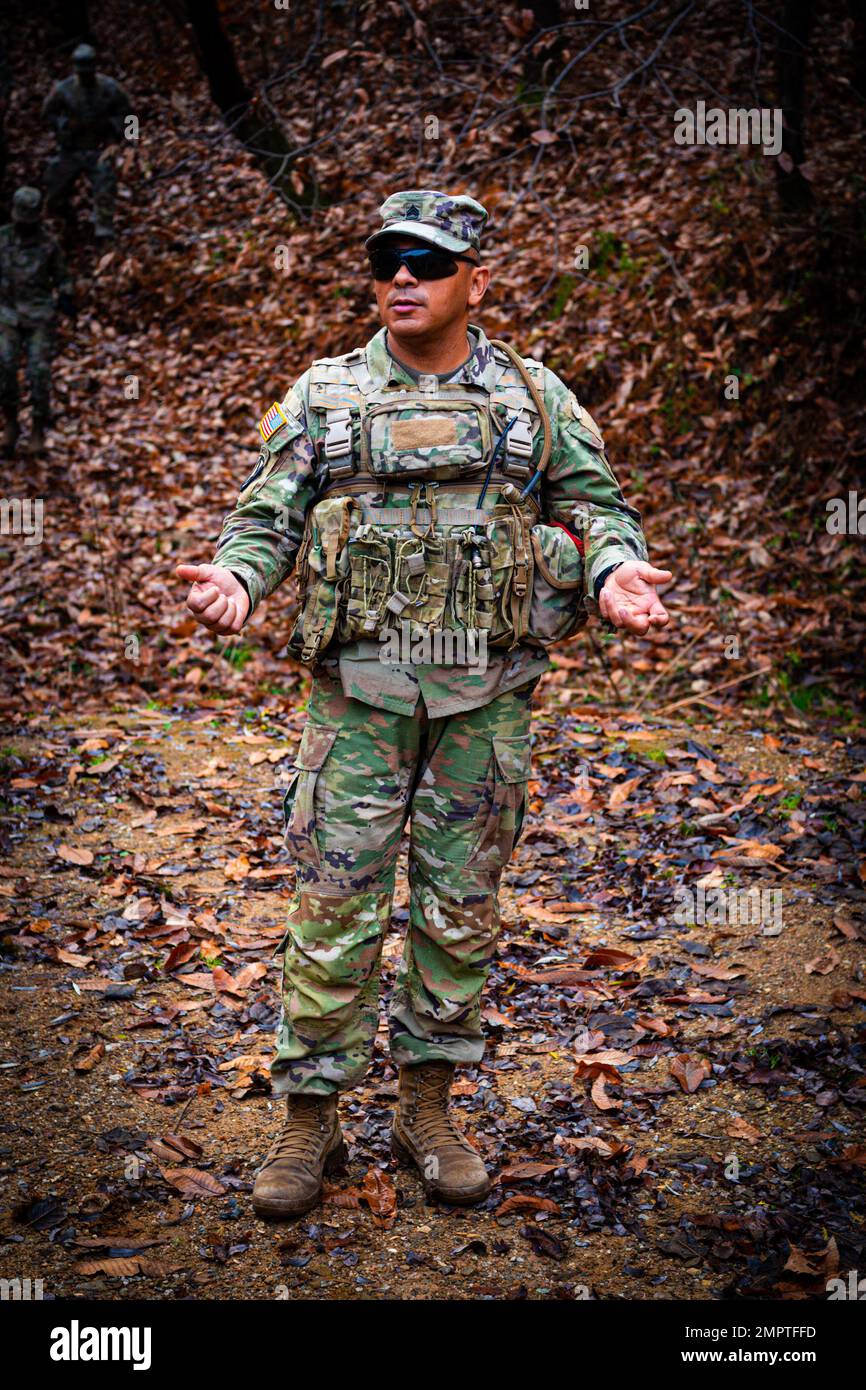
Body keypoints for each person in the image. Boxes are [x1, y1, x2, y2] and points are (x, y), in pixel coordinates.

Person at [177, 189, 672, 1219]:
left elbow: (593, 506)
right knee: (332, 907)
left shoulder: (532, 398)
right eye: (386, 258)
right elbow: (266, 514)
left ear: (475, 282)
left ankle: (425, 1106)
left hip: (482, 702)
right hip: (357, 697)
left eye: (428, 260)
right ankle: (309, 1117)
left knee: (458, 910)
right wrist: (238, 575)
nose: (402, 275)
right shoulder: (324, 395)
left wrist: (613, 567)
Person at [0, 186, 75, 456]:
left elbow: (63, 278)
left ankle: (38, 428)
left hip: (39, 316)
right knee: (4, 367)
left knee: (38, 371)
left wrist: (67, 296)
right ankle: (11, 424)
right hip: (7, 314)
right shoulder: (3, 239)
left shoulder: (48, 245)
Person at [42, 43, 132, 239]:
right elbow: (48, 114)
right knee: (55, 192)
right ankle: (69, 221)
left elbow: (129, 114)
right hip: (71, 150)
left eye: (88, 71)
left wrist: (128, 141)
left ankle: (104, 231)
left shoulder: (110, 88)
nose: (85, 76)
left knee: (105, 187)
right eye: (81, 72)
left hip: (99, 149)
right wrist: (64, 125)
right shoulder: (63, 89)